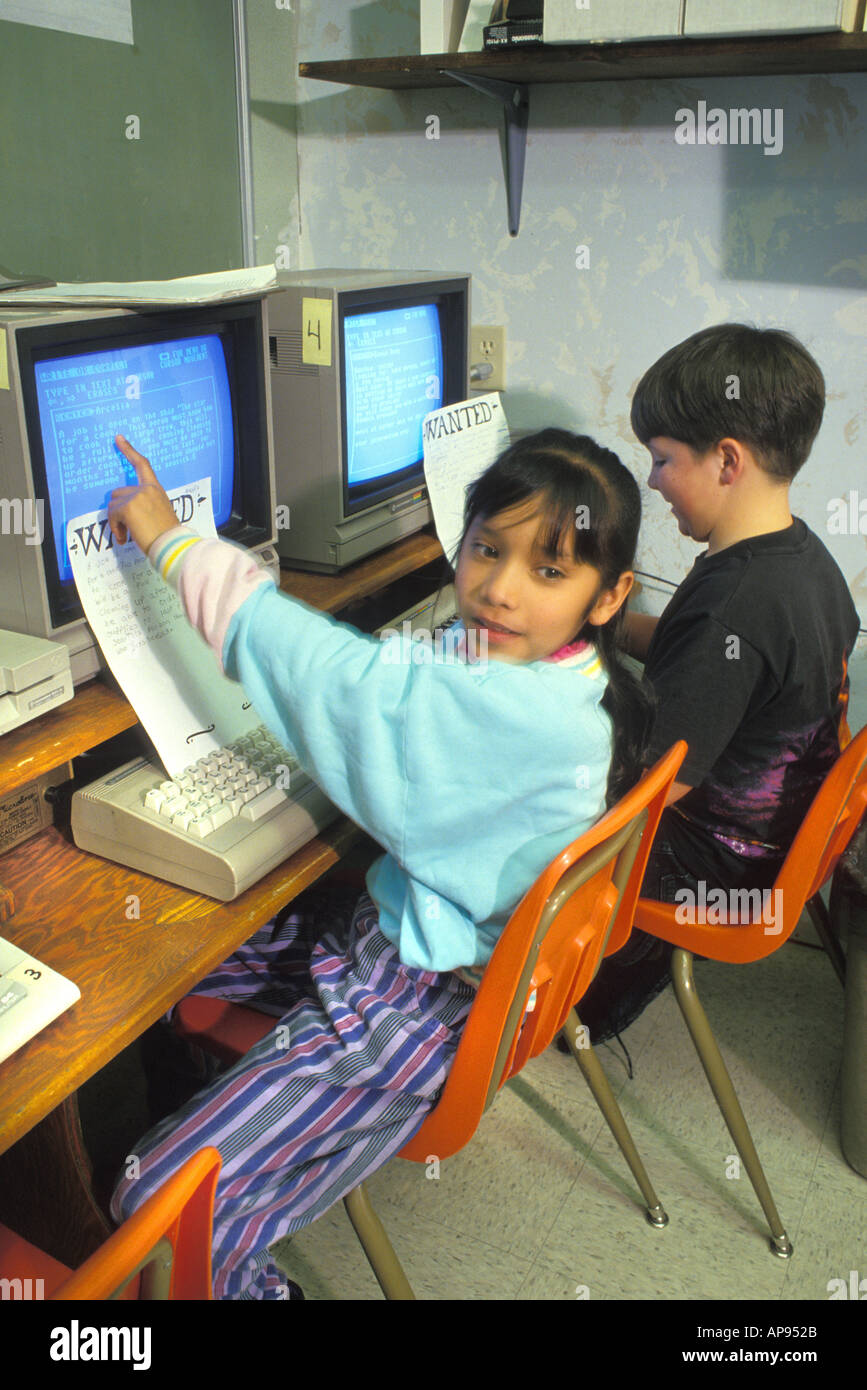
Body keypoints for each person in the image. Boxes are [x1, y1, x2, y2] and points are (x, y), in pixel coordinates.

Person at [106, 426, 653, 1299]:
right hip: (409, 959)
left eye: (546, 571)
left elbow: (332, 678)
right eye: (484, 550)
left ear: (606, 594)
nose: (499, 590)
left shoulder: (519, 714)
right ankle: (233, 1125)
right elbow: (409, 674)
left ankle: (235, 1256)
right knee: (161, 975)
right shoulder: (572, 679)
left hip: (411, 1011)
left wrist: (170, 541)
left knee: (155, 1200)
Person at [576, 323, 862, 1044]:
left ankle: (561, 993)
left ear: (725, 461)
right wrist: (593, 622)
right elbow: (684, 647)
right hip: (774, 844)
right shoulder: (795, 561)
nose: (651, 480)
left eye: (662, 459)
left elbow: (643, 795)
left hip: (711, 870)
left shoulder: (734, 604)